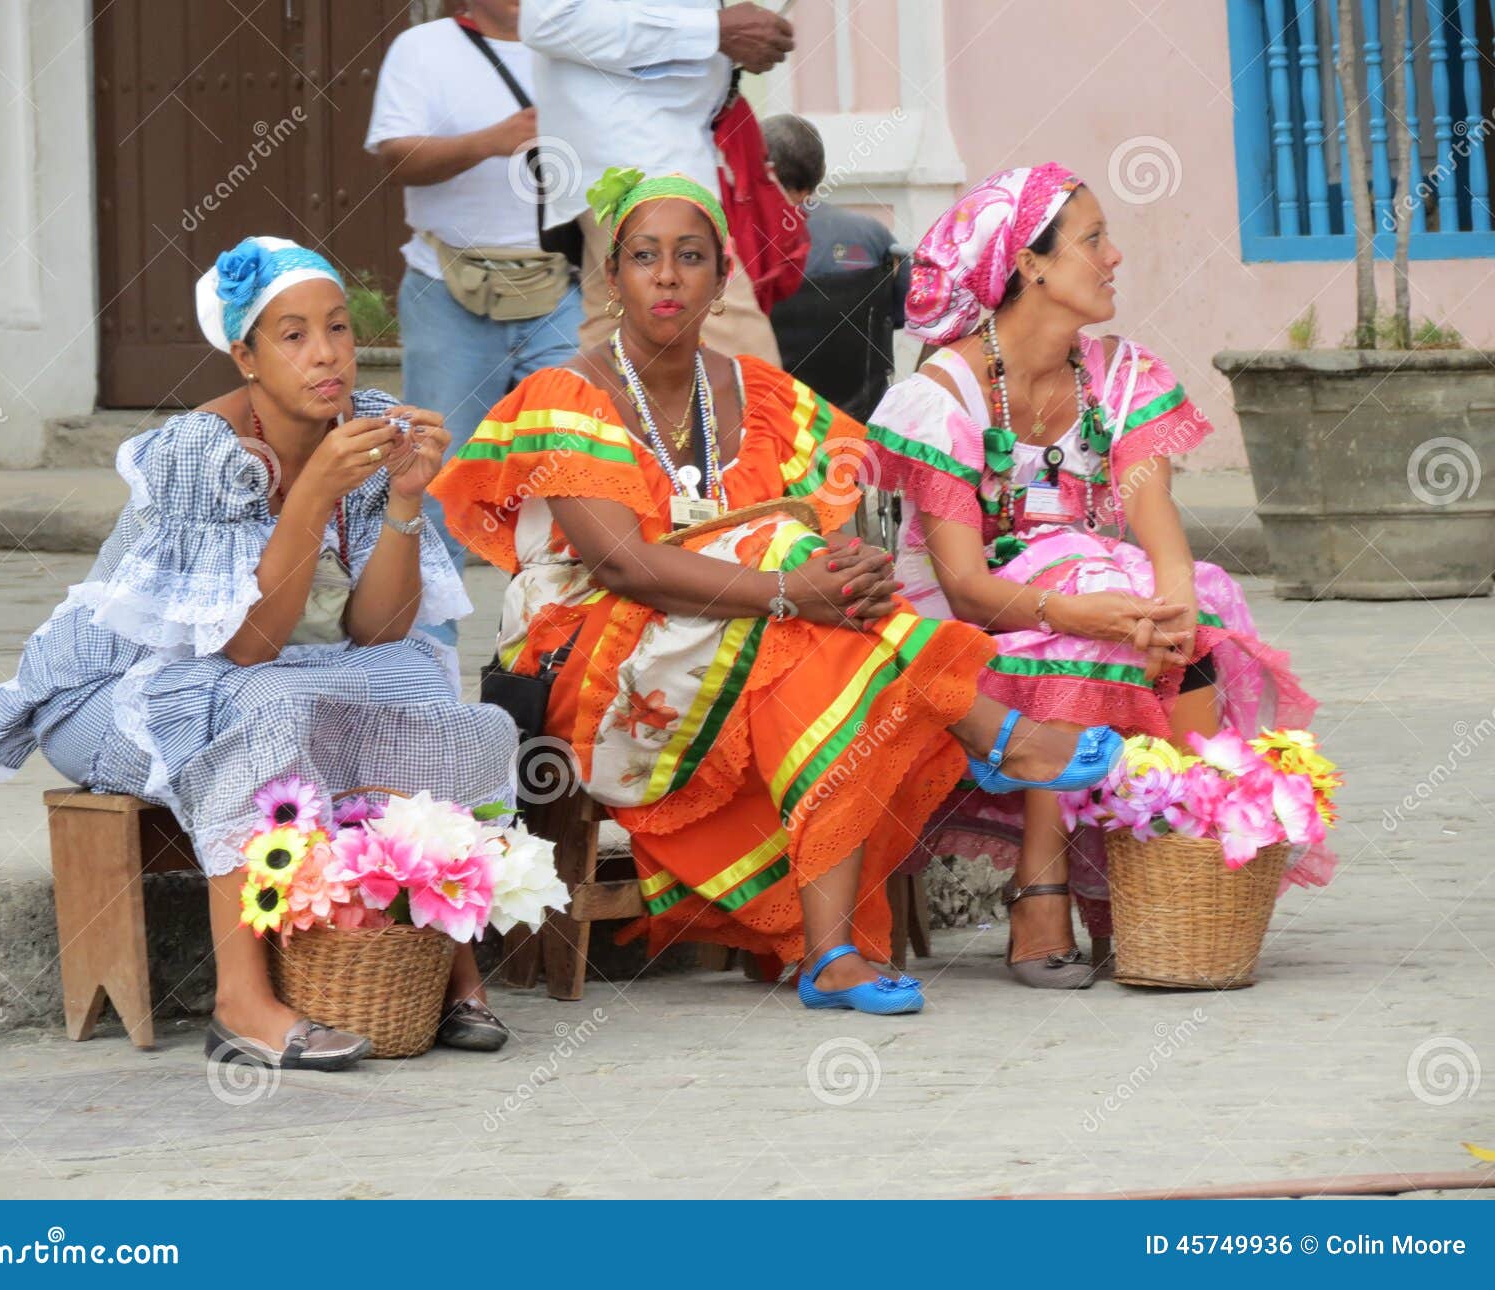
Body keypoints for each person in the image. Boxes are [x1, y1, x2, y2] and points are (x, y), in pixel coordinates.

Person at [431, 168, 1125, 1016]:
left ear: (721, 277)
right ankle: (987, 731)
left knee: (820, 630)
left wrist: (848, 573)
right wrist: (793, 584)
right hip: (597, 649)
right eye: (644, 257)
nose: (666, 276)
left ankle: (830, 955)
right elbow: (623, 565)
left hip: (743, 631)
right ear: (611, 276)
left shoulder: (760, 393)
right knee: (788, 568)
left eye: (690, 257)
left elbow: (831, 536)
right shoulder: (564, 395)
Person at [0, 237, 521, 1068]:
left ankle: (442, 965)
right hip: (114, 692)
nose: (326, 355)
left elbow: (377, 630)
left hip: (254, 671)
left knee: (418, 676)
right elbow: (249, 643)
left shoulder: (369, 426)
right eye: (293, 335)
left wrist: (407, 500)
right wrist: (311, 492)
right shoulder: (200, 455)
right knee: (265, 705)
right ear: (245, 356)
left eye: (339, 329)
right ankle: (242, 1003)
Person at [867, 165, 1327, 988]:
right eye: (1093, 240)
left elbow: (1158, 526)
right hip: (956, 621)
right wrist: (1097, 614)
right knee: (1090, 604)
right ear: (1030, 264)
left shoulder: (1116, 377)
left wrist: (1170, 605)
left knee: (1184, 619)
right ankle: (1044, 897)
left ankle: (1157, 875)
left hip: (1088, 598)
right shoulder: (945, 394)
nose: (1114, 257)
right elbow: (967, 586)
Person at [366, 0, 585, 603]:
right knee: (437, 479)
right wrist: (494, 141)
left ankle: (565, 652)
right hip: (447, 290)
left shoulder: (578, 42)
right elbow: (397, 159)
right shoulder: (423, 48)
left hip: (562, 289)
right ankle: (424, 659)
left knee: (579, 473)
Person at [520, 0, 792, 361]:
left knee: (610, 359)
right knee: (739, 356)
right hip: (638, 161)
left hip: (645, 157)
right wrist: (712, 31)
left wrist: (723, 41)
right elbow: (549, 20)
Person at [762, 112, 909, 420]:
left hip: (774, 425)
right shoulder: (875, 236)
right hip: (861, 424)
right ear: (822, 171)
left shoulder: (740, 245)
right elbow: (898, 316)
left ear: (763, 171)